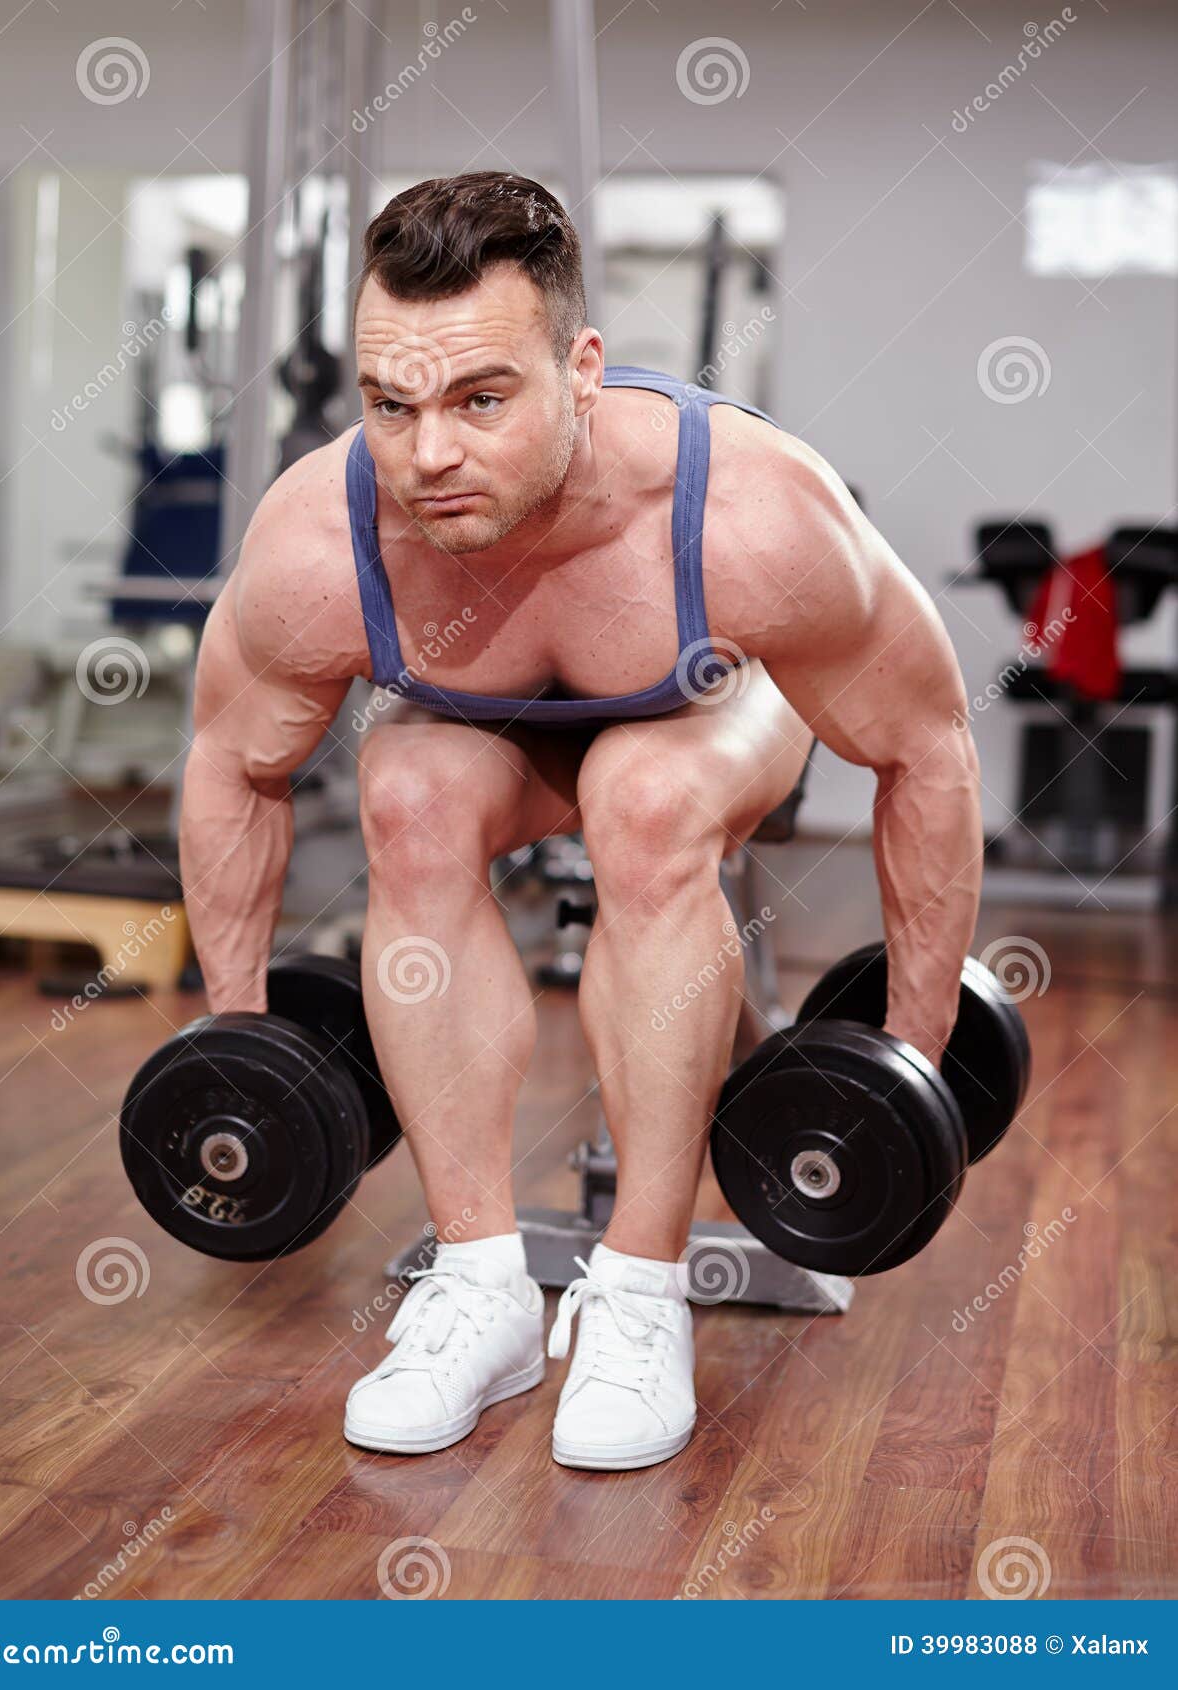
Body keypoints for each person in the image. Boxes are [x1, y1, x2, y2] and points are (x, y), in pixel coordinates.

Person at [180, 172, 981, 1472]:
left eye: (482, 399)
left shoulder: (752, 518)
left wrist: (917, 1059)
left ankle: (638, 1294)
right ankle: (485, 1288)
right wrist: (236, 1040)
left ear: (582, 367)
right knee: (406, 789)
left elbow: (926, 747)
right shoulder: (321, 544)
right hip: (491, 735)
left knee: (646, 798)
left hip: (708, 702)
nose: (431, 451)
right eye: (393, 405)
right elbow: (231, 764)